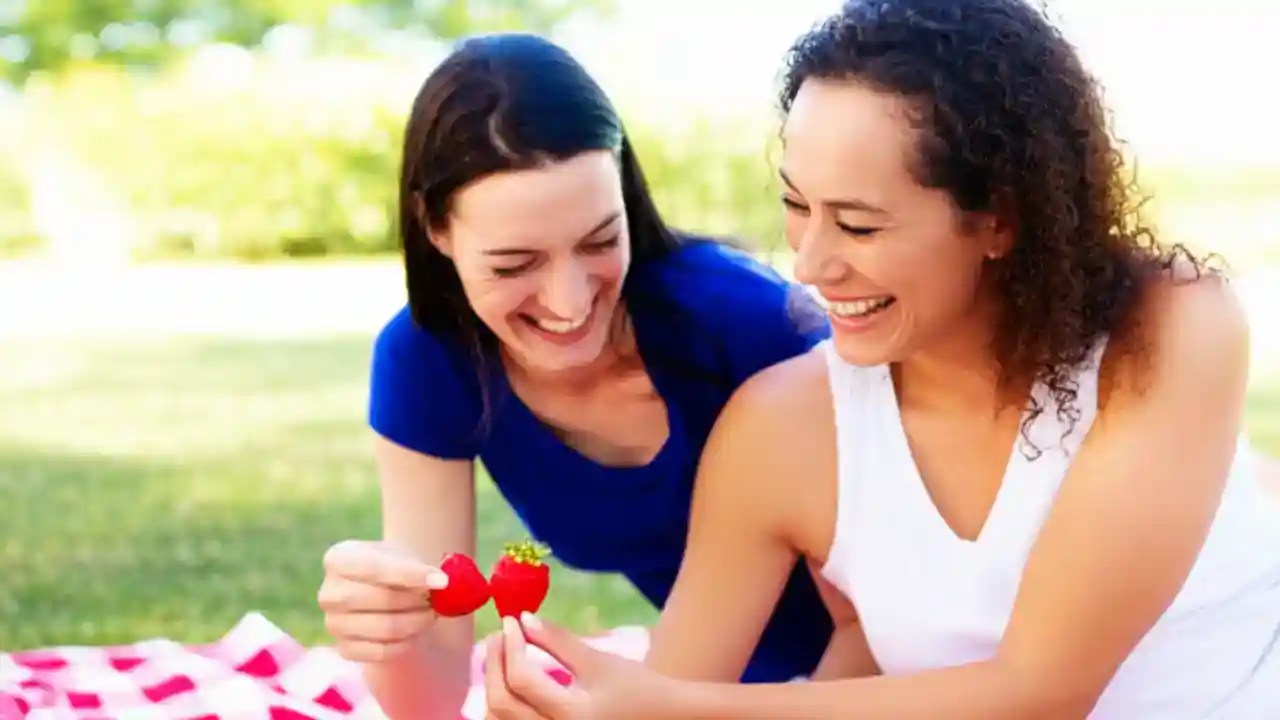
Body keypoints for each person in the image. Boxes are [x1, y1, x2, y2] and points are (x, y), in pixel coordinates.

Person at [484, 1, 1280, 717]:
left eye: (859, 226)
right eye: (798, 207)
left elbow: (1043, 688)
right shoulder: (781, 431)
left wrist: (671, 710)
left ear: (999, 218)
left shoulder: (1171, 326)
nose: (812, 263)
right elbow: (660, 690)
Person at [314, 32, 847, 720]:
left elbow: (888, 612)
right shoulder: (428, 362)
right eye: (514, 264)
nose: (569, 304)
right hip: (710, 689)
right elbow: (430, 700)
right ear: (435, 229)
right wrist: (389, 633)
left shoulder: (749, 328)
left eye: (600, 241)